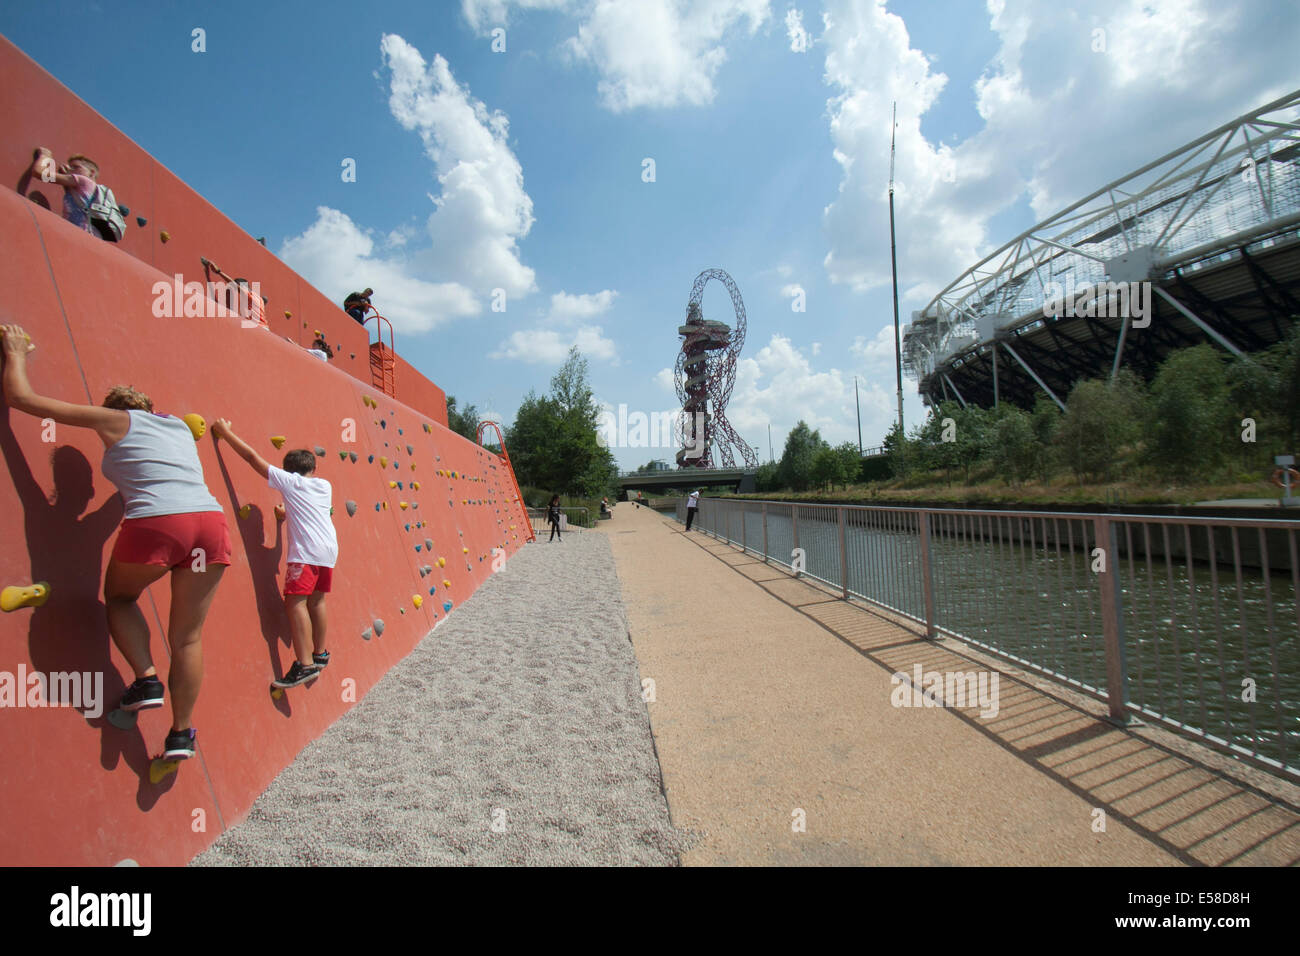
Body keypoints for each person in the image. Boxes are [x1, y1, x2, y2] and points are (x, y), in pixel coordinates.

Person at [1, 324, 230, 761]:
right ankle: (180, 734)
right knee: (187, 637)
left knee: (121, 598)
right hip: (209, 523)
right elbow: (134, 484)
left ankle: (145, 679)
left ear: (116, 411)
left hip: (162, 522)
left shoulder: (114, 419)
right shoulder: (179, 429)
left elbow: (22, 400)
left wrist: (15, 353)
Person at [211, 421, 337, 688]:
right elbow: (308, 512)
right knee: (317, 601)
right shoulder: (324, 486)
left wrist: (225, 433)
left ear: (289, 470)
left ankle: (305, 665)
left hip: (306, 553)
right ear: (313, 469)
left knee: (294, 603)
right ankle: (320, 653)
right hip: (328, 552)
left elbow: (252, 459)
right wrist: (284, 518)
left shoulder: (289, 482)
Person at [23, 148, 99, 236]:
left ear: (92, 173)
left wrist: (45, 157)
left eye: (76, 167)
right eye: (70, 167)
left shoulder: (83, 181)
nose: (70, 170)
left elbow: (40, 173)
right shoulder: (92, 190)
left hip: (75, 234)